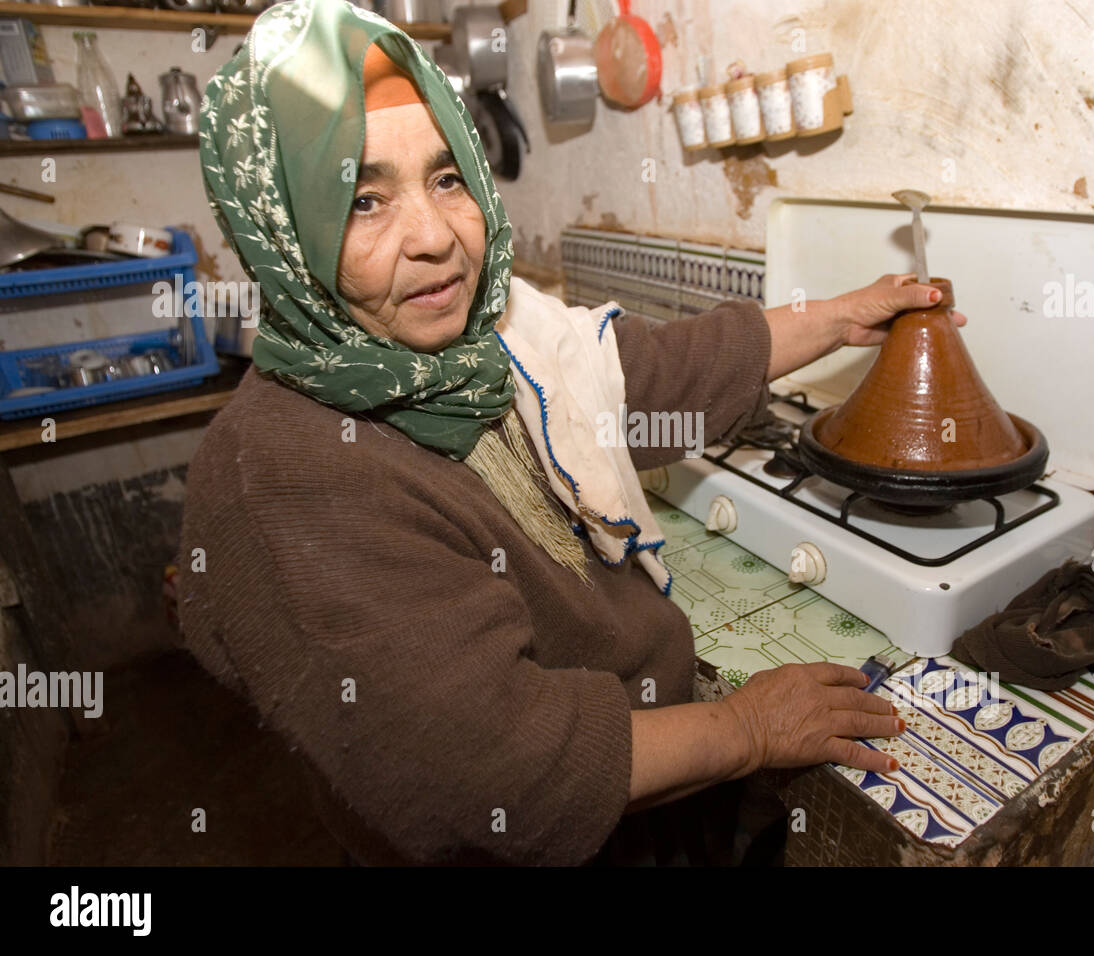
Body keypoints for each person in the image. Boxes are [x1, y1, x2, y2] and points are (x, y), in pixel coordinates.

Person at [178, 0, 957, 866]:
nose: (436, 237)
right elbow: (501, 773)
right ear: (280, 230)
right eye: (364, 200)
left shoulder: (483, 339)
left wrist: (841, 317)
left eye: (446, 178)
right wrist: (746, 729)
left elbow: (650, 375)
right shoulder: (290, 474)